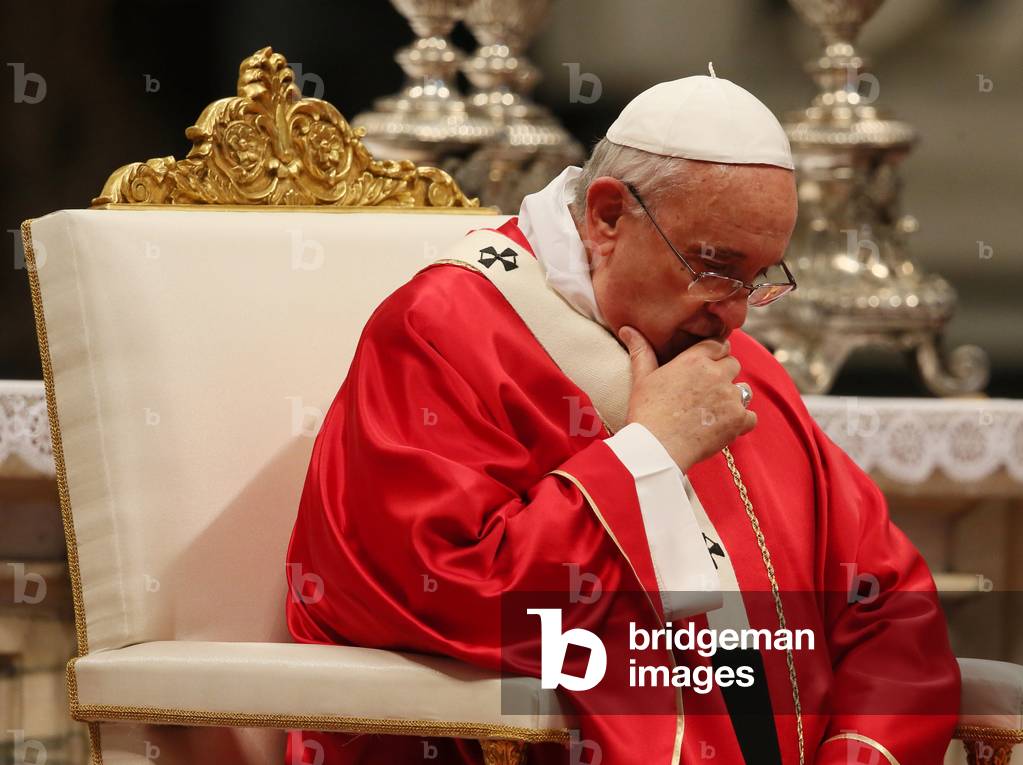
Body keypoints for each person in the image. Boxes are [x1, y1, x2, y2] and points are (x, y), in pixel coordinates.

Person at [284, 71, 959, 765]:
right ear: (607, 216)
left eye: (757, 278)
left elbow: (885, 603)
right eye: (714, 265)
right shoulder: (444, 332)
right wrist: (649, 454)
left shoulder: (738, 370)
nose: (731, 311)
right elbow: (442, 592)